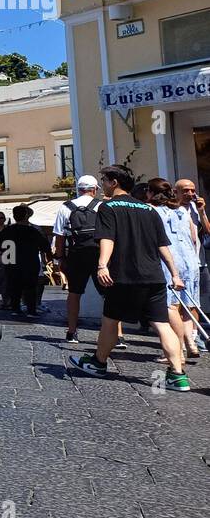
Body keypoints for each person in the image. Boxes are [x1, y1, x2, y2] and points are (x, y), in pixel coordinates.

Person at [69, 165, 191, 392]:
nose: (102, 184)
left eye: (104, 180)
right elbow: (163, 245)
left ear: (114, 182)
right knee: (162, 325)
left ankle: (98, 362)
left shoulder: (108, 207)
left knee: (111, 321)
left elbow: (107, 238)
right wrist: (174, 274)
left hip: (124, 276)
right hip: (153, 276)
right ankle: (178, 375)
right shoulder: (149, 210)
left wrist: (102, 264)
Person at [147, 178, 199, 359]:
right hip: (189, 260)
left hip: (169, 261)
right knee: (188, 304)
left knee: (171, 306)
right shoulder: (182, 210)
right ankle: (191, 342)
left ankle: (178, 350)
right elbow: (193, 237)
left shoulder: (152, 211)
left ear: (151, 193)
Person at [51, 175, 102, 344]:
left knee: (74, 293)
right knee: (108, 295)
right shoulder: (101, 206)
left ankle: (72, 332)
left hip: (76, 255)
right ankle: (117, 335)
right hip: (98, 255)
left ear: (78, 190)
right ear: (94, 189)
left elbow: (59, 236)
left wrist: (59, 258)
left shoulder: (66, 207)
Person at [0, 205, 49, 317]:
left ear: (14, 216)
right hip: (29, 263)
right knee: (30, 287)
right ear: (26, 215)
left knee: (14, 287)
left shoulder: (7, 231)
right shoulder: (33, 231)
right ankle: (31, 310)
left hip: (12, 262)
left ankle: (15, 309)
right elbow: (45, 247)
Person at [173, 179, 206, 358]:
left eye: (192, 190)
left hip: (196, 261)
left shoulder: (194, 208)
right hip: (179, 263)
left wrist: (202, 212)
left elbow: (207, 230)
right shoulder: (172, 210)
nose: (190, 194)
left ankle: (193, 338)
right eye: (185, 190)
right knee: (177, 304)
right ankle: (183, 341)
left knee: (194, 302)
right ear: (176, 191)